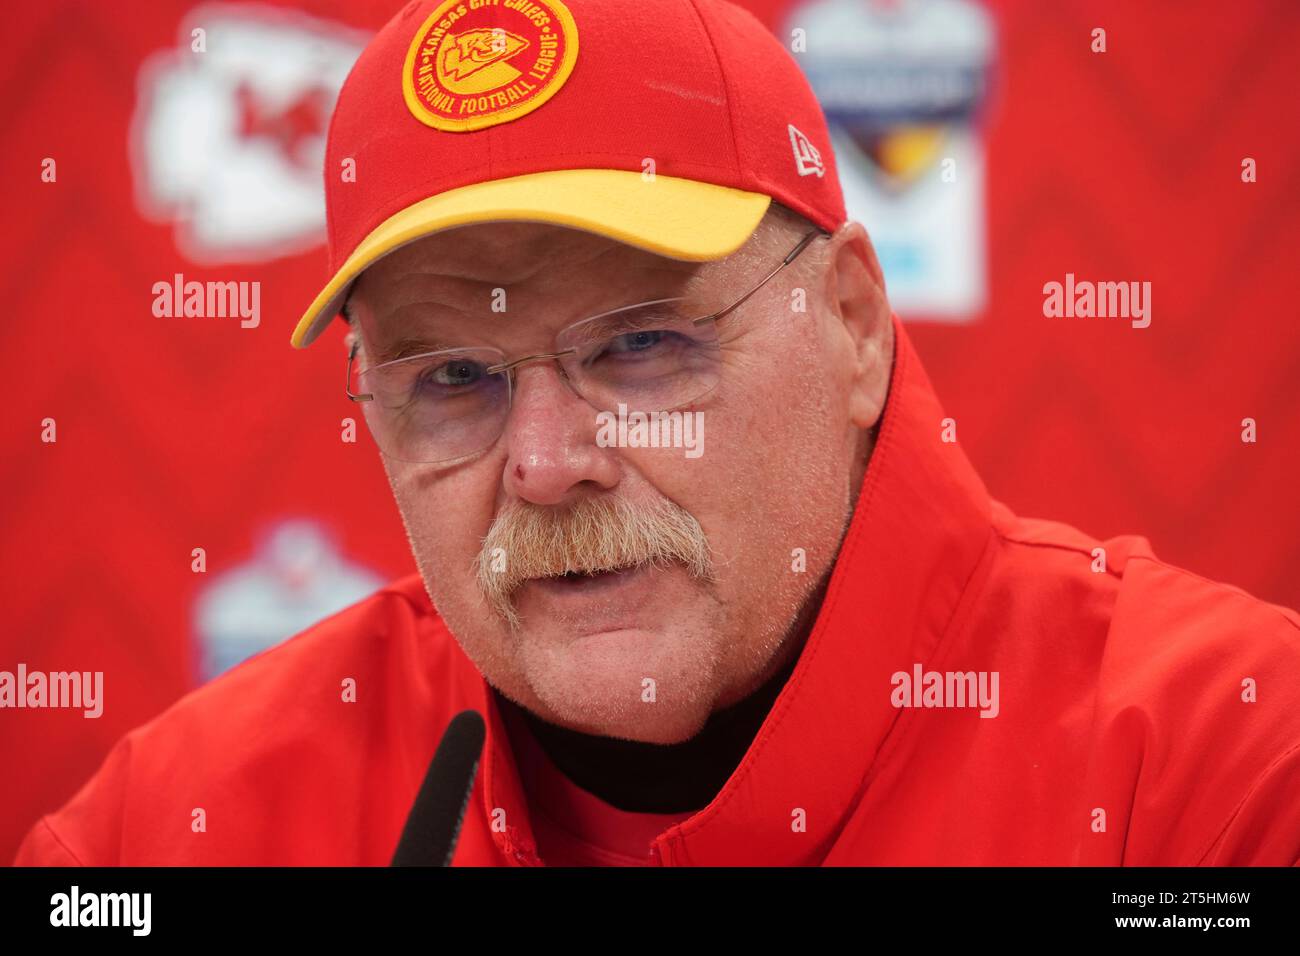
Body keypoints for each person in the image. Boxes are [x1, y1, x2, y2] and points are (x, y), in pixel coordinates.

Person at [15, 0, 1300, 867]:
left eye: (640, 344)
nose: (544, 460)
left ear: (853, 322)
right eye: (453, 374)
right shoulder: (179, 826)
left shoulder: (1213, 771)